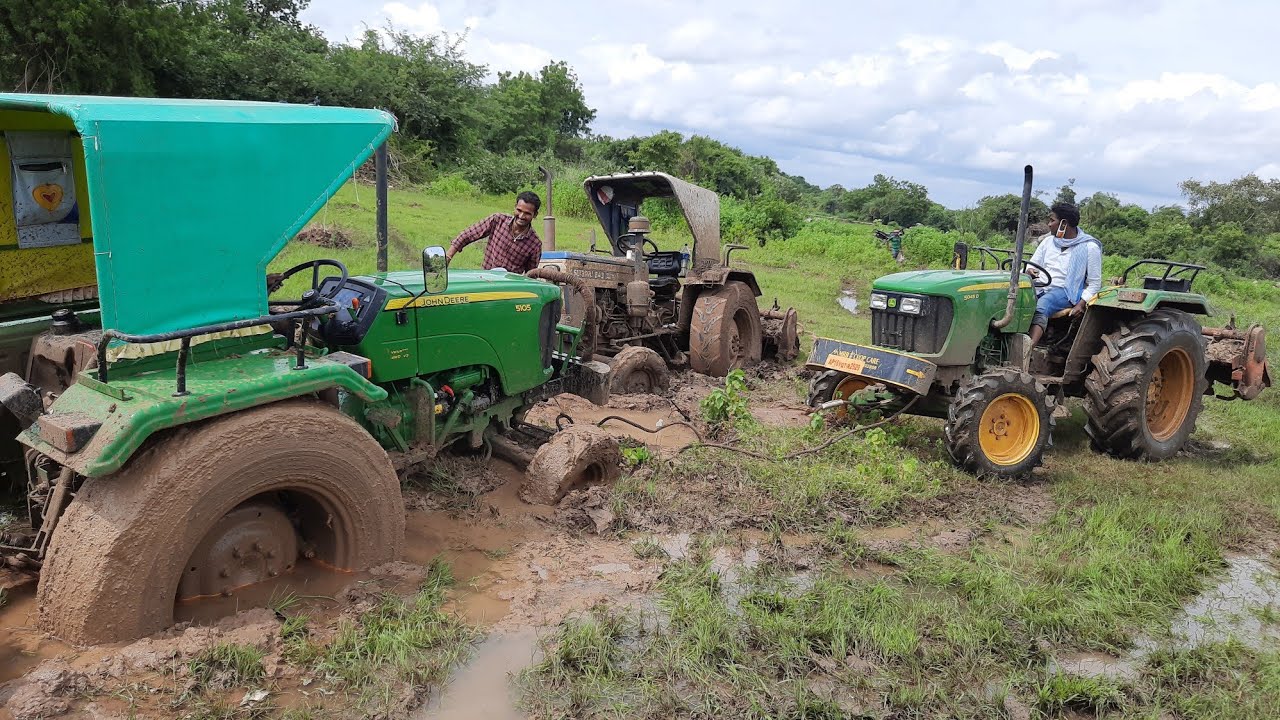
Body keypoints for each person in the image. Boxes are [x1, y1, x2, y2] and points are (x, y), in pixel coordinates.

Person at [1026, 202, 1101, 346]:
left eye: (1052, 220)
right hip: (1040, 286)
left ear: (1064, 223)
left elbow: (1095, 283)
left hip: (1066, 292)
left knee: (1042, 305)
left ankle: (1027, 349)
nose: (1048, 224)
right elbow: (1032, 264)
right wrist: (1030, 270)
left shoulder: (1090, 247)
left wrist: (1081, 303)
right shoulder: (1048, 242)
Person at [445, 191, 542, 274]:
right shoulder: (498, 220)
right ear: (515, 207)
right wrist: (448, 257)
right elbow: (468, 234)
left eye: (527, 213)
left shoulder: (535, 244)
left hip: (509, 289)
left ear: (535, 215)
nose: (521, 216)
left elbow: (530, 275)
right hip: (485, 280)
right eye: (519, 210)